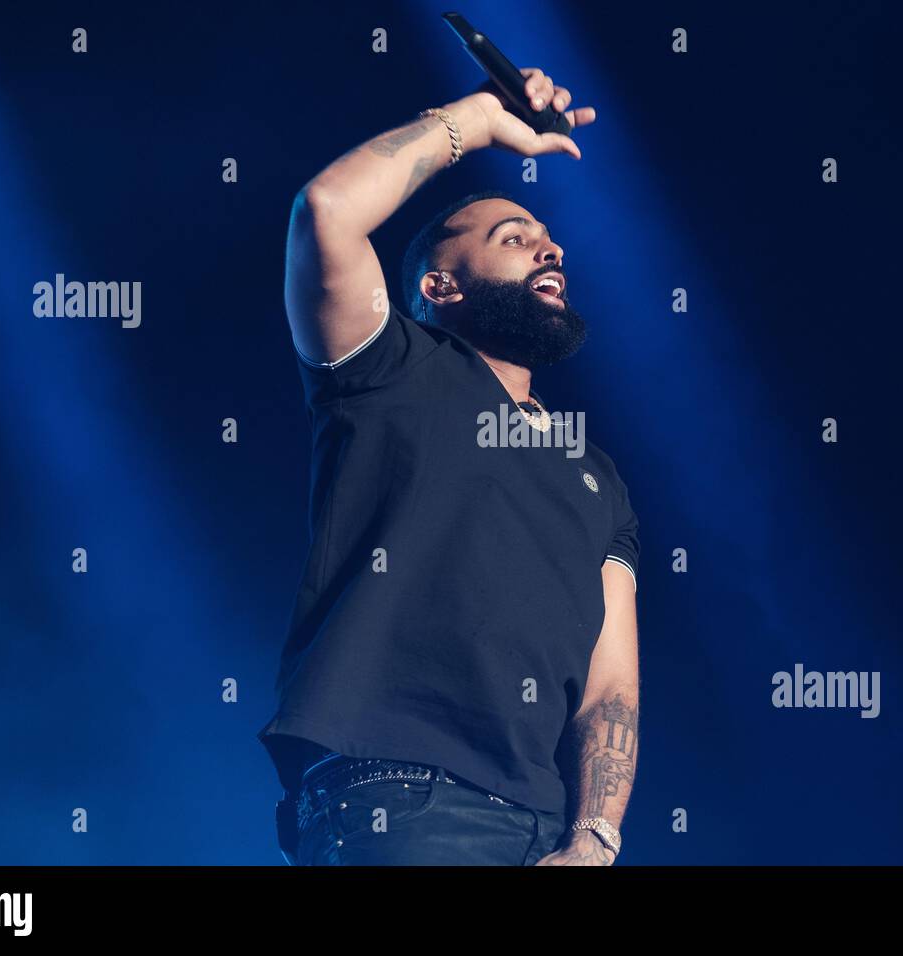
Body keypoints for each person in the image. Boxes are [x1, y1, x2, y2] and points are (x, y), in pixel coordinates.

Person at [257, 66, 639, 866]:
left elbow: (611, 688)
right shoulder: (393, 368)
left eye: (545, 234)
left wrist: (594, 841)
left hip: (545, 830)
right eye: (512, 237)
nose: (549, 244)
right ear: (439, 285)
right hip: (400, 797)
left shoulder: (594, 471)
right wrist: (477, 118)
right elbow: (326, 212)